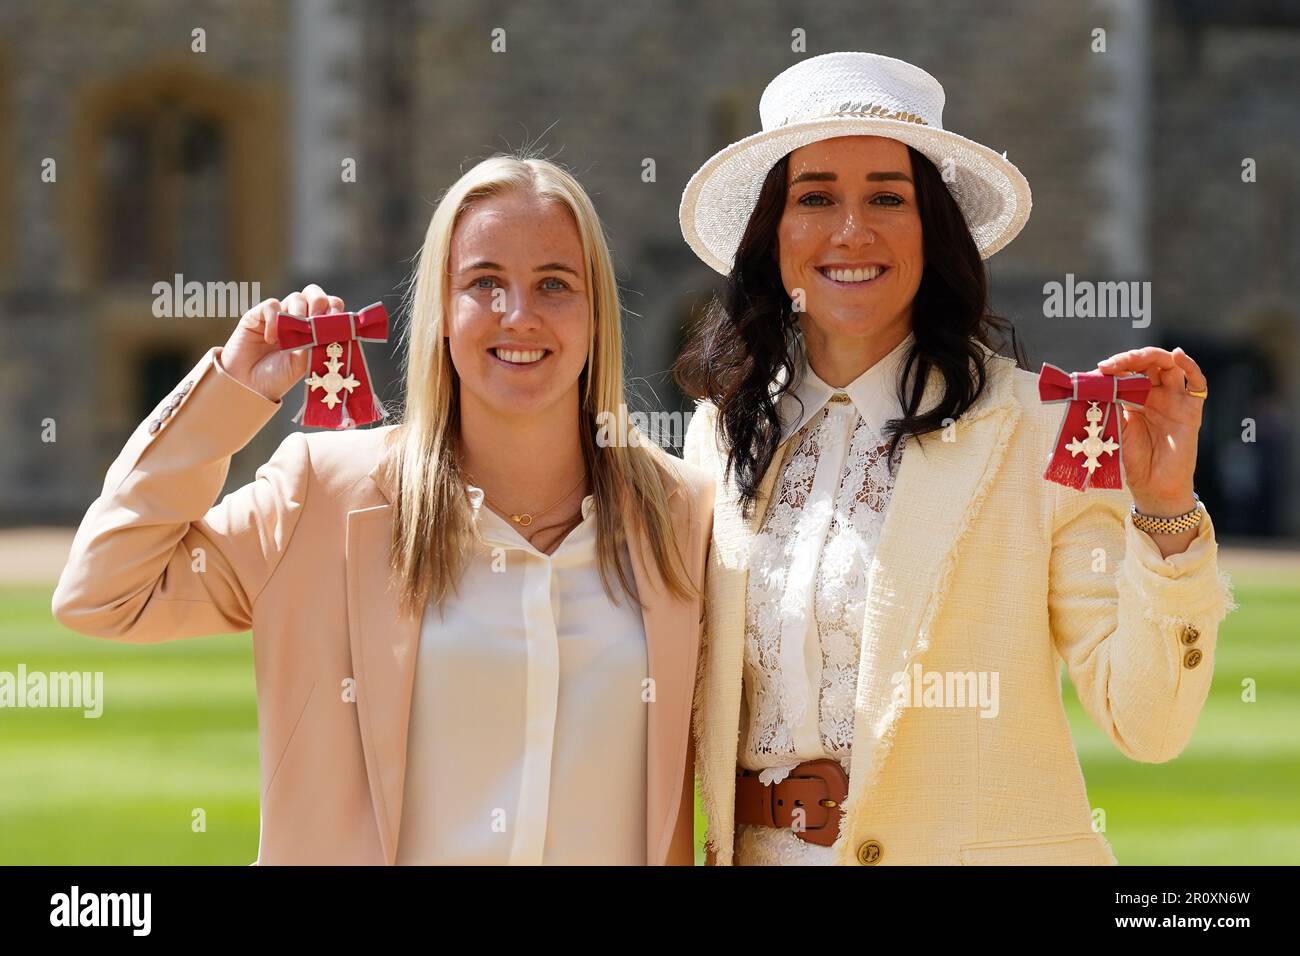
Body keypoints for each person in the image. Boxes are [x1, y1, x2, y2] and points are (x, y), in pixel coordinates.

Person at [52, 154, 713, 865]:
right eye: (484, 282)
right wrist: (226, 397)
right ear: (441, 316)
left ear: (595, 316)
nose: (518, 314)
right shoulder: (325, 495)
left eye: (554, 284)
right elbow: (105, 593)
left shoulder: (686, 515)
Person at [676, 52, 1236, 865]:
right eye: (816, 197)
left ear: (932, 232)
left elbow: (1148, 724)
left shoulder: (1048, 424)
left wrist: (1165, 511)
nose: (851, 231)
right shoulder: (712, 438)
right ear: (774, 236)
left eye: (887, 198)